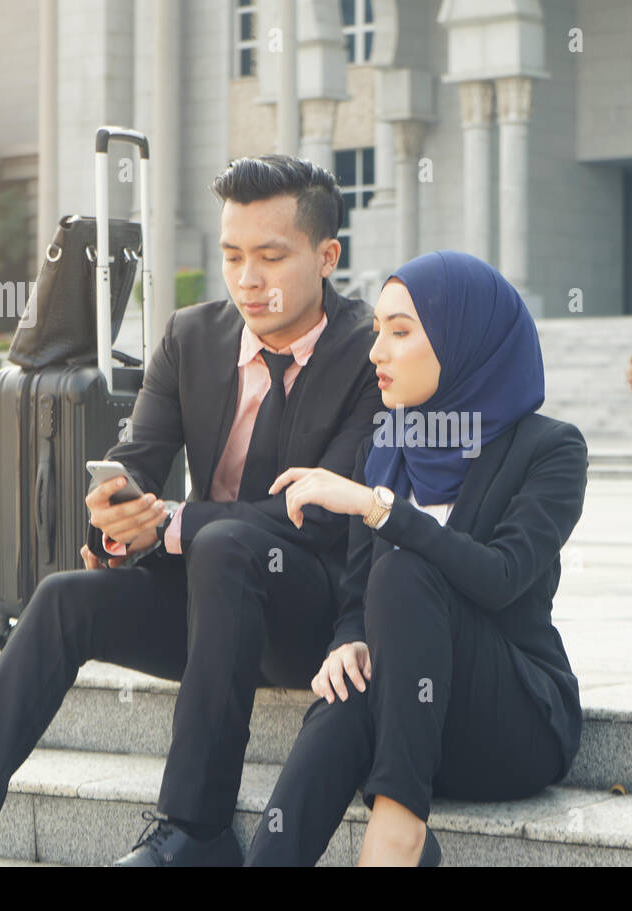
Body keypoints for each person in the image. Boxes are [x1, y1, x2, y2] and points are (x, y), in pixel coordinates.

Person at [0, 155, 383, 867]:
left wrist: (172, 523)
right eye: (233, 256)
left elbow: (322, 509)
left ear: (327, 256)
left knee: (223, 545)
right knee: (61, 598)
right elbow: (137, 459)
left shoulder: (368, 353)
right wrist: (114, 521)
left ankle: (195, 832)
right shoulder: (192, 337)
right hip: (209, 607)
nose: (248, 279)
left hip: (313, 616)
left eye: (272, 257)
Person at [242, 250, 589, 866]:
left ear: (463, 341)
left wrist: (378, 508)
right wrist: (349, 639)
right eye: (376, 331)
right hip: (412, 727)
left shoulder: (550, 449)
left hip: (510, 722)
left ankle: (397, 836)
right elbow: (357, 597)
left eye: (400, 332)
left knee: (403, 564)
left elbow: (502, 577)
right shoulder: (390, 444)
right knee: (345, 695)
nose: (376, 351)